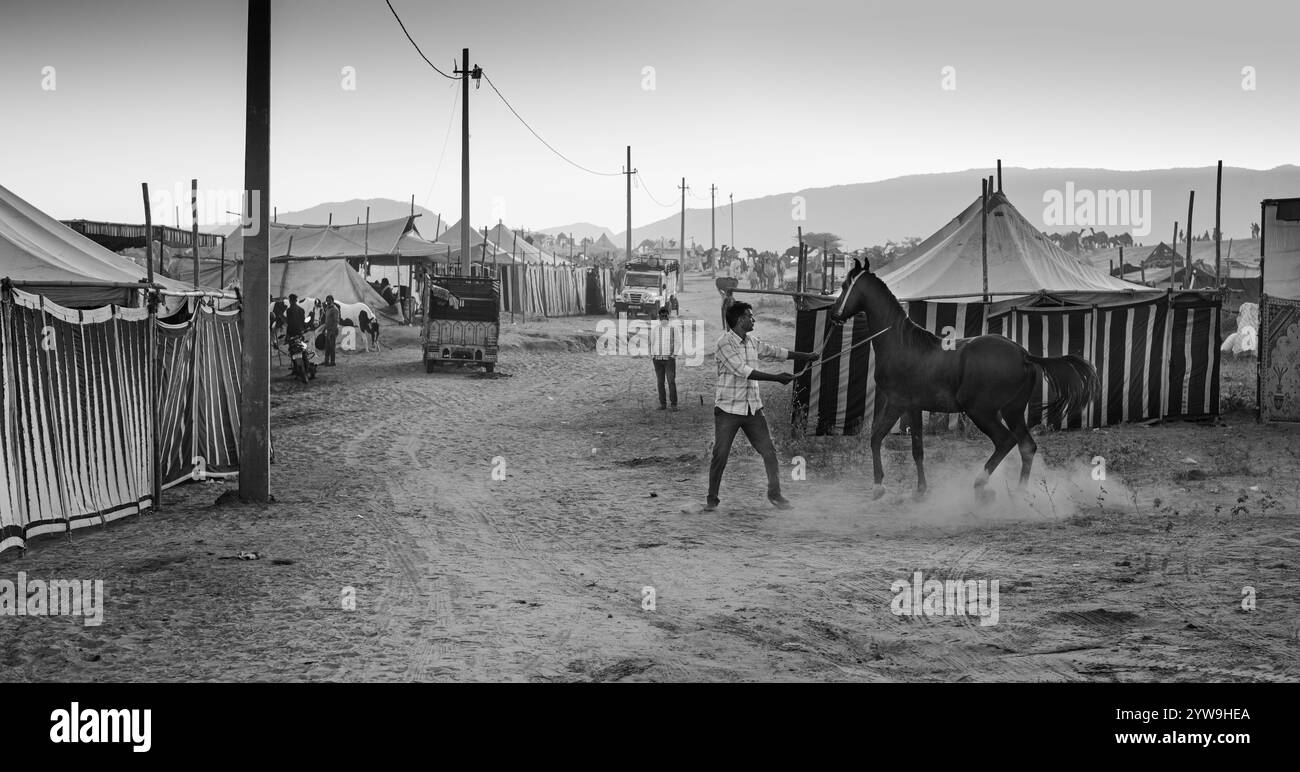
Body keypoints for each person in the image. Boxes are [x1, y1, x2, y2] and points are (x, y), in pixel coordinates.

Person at [705, 301, 817, 512]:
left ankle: (775, 494)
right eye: (750, 316)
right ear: (740, 320)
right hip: (729, 409)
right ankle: (712, 500)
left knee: (769, 452)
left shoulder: (751, 341)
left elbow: (775, 352)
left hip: (752, 407)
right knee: (720, 455)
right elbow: (743, 371)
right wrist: (777, 378)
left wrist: (806, 356)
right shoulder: (724, 343)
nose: (753, 319)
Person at [650, 305, 679, 410]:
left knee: (671, 381)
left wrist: (673, 355)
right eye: (661, 317)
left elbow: (678, 342)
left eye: (665, 316)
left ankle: (674, 404)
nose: (663, 319)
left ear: (668, 316)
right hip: (657, 360)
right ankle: (663, 404)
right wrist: (653, 355)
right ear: (659, 317)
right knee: (660, 382)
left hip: (669, 360)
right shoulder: (655, 329)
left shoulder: (673, 329)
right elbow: (652, 343)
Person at [321, 295, 340, 366]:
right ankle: (326, 361)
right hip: (328, 330)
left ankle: (332, 362)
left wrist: (332, 331)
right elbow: (327, 321)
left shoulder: (334, 309)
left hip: (333, 330)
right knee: (327, 346)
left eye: (329, 300)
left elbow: (336, 321)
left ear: (332, 300)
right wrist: (324, 330)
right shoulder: (327, 309)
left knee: (332, 347)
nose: (327, 302)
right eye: (327, 300)